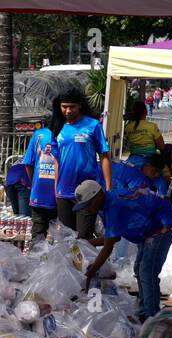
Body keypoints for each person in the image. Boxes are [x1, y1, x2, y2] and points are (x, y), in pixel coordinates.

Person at [78, 179, 172, 320]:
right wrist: (85, 243)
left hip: (163, 226)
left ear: (97, 196)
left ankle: (151, 316)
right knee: (139, 269)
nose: (87, 210)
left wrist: (91, 272)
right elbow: (113, 237)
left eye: (88, 205)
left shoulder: (113, 206)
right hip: (148, 229)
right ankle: (144, 309)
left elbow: (109, 245)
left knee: (147, 272)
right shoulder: (106, 203)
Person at [54, 89, 111, 240]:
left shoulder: (93, 125)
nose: (67, 110)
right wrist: (53, 188)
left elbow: (104, 157)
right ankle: (67, 264)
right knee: (66, 238)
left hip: (88, 191)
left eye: (72, 106)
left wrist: (108, 186)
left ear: (80, 106)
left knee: (83, 238)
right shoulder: (57, 126)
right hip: (63, 191)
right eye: (64, 106)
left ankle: (86, 264)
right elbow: (54, 160)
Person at [23, 95, 63, 243]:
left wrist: (34, 183)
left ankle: (36, 265)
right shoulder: (67, 135)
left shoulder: (39, 134)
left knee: (38, 235)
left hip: (39, 192)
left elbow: (28, 163)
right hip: (63, 194)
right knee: (62, 237)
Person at [123, 100, 166, 168]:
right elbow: (161, 146)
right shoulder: (152, 126)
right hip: (150, 160)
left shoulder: (128, 127)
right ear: (145, 112)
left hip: (133, 159)